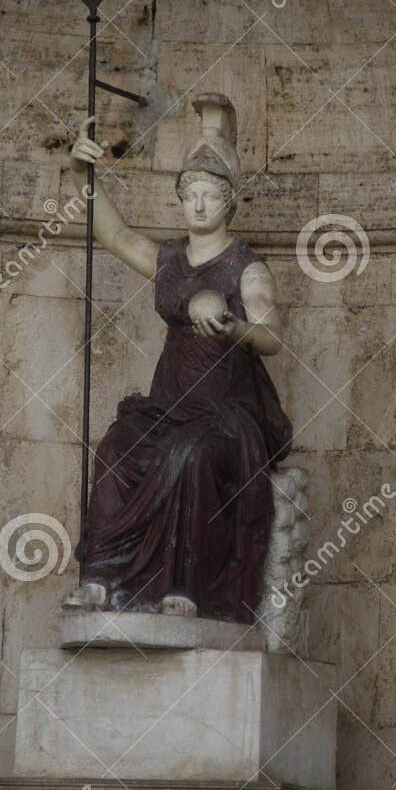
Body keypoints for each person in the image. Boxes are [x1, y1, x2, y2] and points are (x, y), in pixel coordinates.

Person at [63, 92, 292, 625]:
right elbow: (114, 234)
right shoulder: (169, 260)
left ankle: (186, 586)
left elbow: (273, 336)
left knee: (190, 455)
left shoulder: (246, 268)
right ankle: (101, 578)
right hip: (169, 403)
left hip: (227, 413)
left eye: (210, 194)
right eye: (190, 193)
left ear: (229, 202)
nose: (199, 204)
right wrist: (80, 175)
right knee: (119, 447)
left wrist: (235, 327)